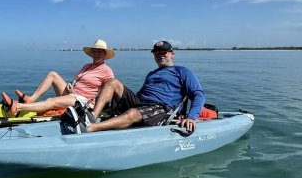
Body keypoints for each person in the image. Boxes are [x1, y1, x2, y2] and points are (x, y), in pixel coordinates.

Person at [64, 40, 205, 134]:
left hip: (163, 107)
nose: (160, 55)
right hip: (142, 104)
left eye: (164, 53)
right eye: (157, 53)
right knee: (112, 81)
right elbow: (139, 95)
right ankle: (92, 117)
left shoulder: (183, 71)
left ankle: (89, 128)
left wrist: (191, 116)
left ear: (172, 55)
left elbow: (198, 94)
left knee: (132, 113)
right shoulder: (151, 74)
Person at [1, 39, 115, 117]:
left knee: (50, 101)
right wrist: (71, 86)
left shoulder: (106, 70)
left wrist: (100, 107)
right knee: (52, 74)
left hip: (83, 101)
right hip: (72, 94)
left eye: (99, 51)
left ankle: (18, 107)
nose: (96, 54)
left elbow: (110, 91)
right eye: (94, 51)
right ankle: (31, 99)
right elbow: (79, 81)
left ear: (104, 54)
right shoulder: (87, 66)